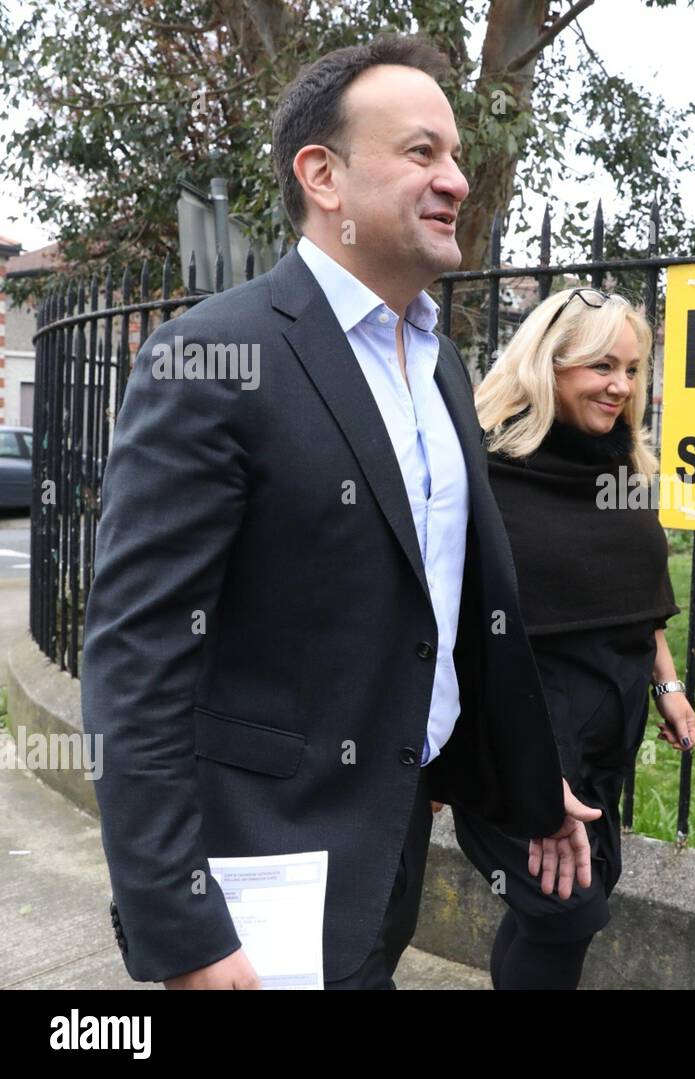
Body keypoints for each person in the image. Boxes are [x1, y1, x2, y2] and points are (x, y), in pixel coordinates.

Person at [79, 34, 599, 990]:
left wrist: (530, 785)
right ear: (321, 174)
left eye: (456, 156)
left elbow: (446, 613)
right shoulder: (214, 360)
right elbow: (134, 660)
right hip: (260, 880)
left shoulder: (438, 362)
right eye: (421, 154)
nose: (455, 180)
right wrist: (183, 926)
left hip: (391, 845)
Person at [451, 285, 695, 989]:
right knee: (565, 912)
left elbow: (634, 590)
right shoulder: (484, 469)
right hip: (519, 723)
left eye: (631, 368)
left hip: (603, 727)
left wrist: (667, 682)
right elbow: (459, 625)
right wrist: (527, 763)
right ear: (547, 364)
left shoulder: (618, 462)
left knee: (552, 913)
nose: (621, 385)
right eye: (601, 367)